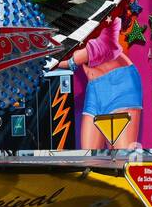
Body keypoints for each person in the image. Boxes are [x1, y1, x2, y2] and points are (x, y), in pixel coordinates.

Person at [55, 17, 141, 150]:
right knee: (89, 157)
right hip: (94, 89)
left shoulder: (107, 22)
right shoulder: (74, 21)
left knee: (121, 157)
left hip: (119, 85)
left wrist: (38, 56)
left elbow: (70, 62)